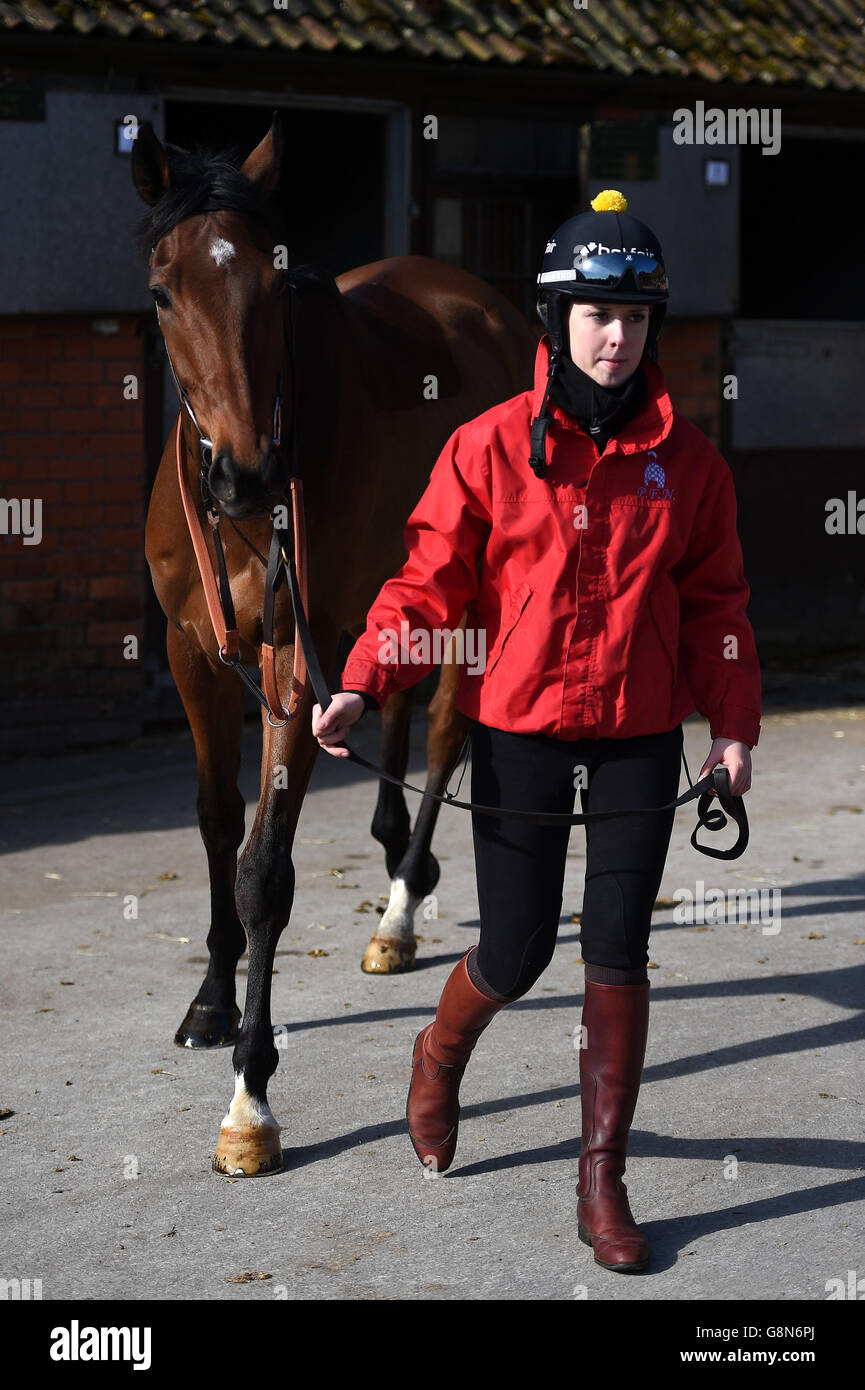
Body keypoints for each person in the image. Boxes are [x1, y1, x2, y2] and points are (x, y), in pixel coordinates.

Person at [311, 190, 761, 1273]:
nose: (617, 337)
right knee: (513, 950)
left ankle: (600, 1179)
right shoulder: (484, 450)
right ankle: (439, 1048)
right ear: (555, 318)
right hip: (514, 727)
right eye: (597, 314)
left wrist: (733, 729)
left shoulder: (689, 466)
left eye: (637, 317)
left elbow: (718, 610)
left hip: (640, 735)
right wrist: (364, 680)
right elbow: (427, 585)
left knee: (617, 951)